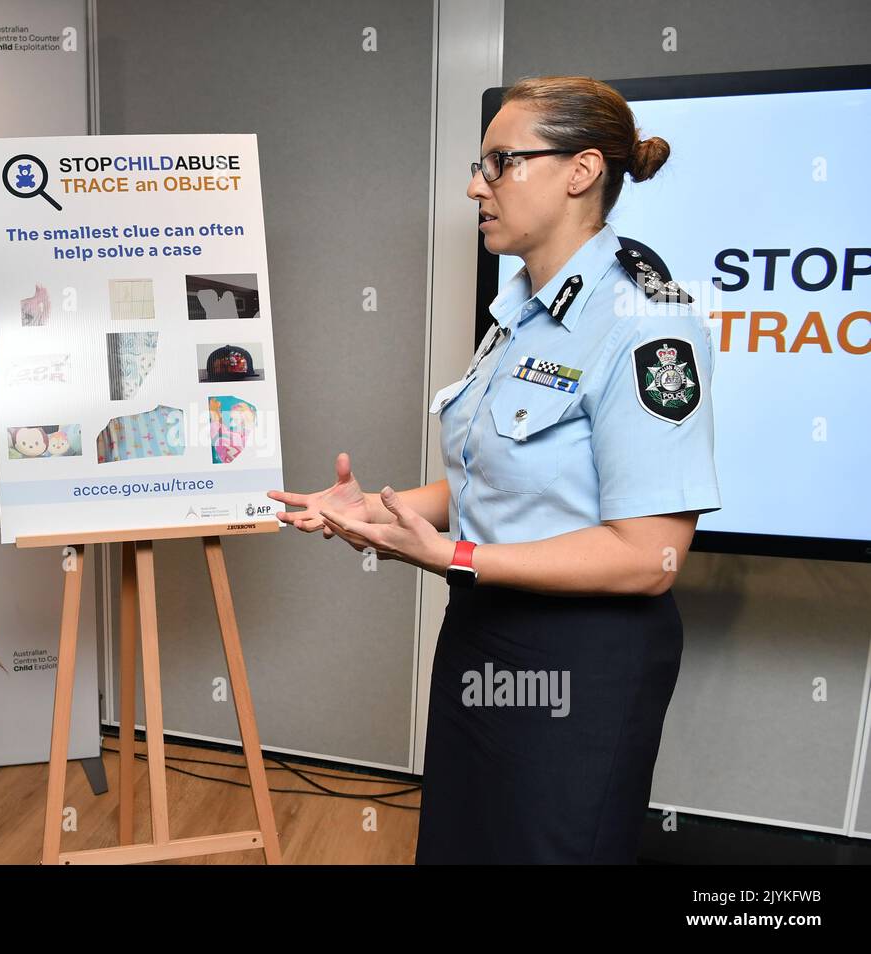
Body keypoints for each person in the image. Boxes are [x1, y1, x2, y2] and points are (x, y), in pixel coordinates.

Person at [269, 76, 720, 864]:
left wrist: (458, 557)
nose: (477, 185)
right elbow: (509, 477)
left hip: (583, 658)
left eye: (500, 162)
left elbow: (652, 557)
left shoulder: (647, 322)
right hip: (483, 630)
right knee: (460, 843)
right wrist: (379, 510)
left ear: (580, 172)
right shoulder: (520, 312)